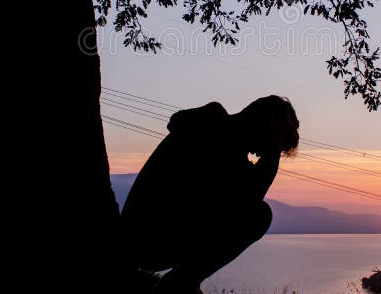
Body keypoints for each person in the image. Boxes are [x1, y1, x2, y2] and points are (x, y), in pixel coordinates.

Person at [120, 95, 299, 293]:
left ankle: (183, 281)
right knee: (260, 215)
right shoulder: (218, 132)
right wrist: (272, 155)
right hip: (149, 240)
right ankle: (178, 284)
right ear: (268, 121)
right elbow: (249, 202)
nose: (260, 153)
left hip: (143, 238)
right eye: (272, 144)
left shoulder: (216, 128)